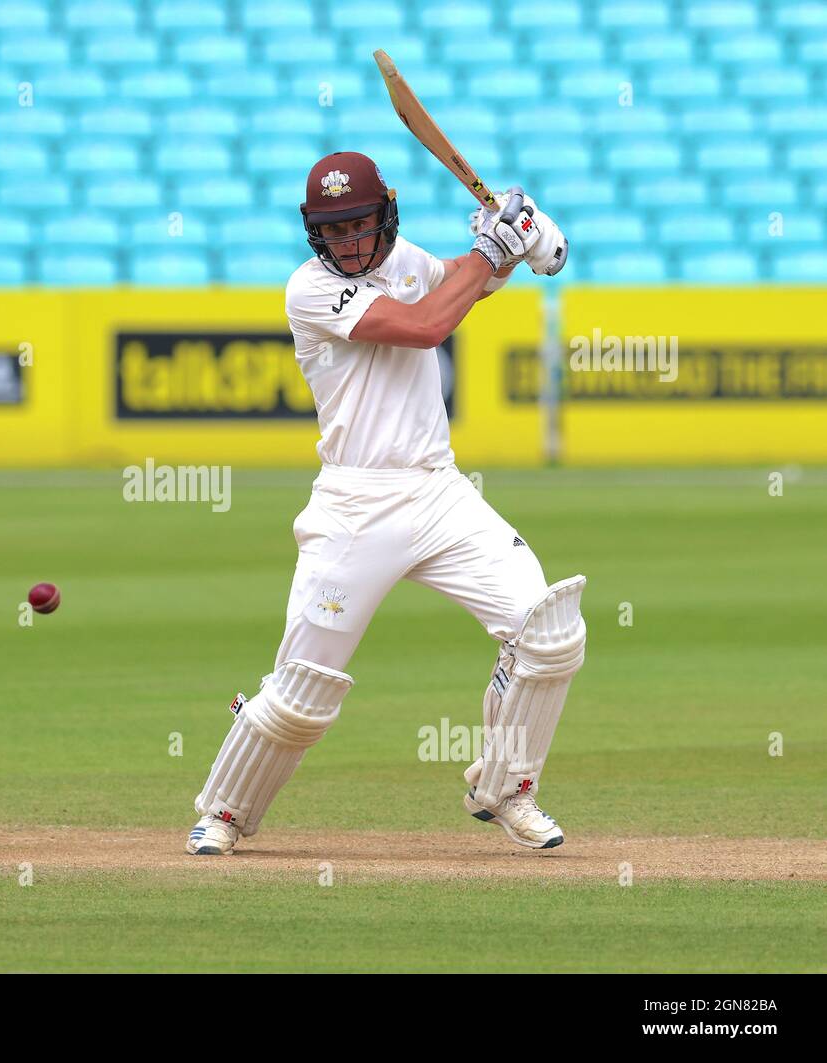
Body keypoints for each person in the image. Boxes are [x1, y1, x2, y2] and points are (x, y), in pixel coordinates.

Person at [186, 151, 584, 856]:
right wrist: (492, 245)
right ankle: (223, 808)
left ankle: (507, 788)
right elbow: (427, 324)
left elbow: (465, 288)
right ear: (314, 234)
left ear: (385, 214)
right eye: (332, 230)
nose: (347, 242)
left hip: (439, 491)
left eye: (359, 224)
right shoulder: (307, 290)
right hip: (354, 505)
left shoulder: (408, 258)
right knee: (303, 690)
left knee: (547, 631)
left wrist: (520, 242)